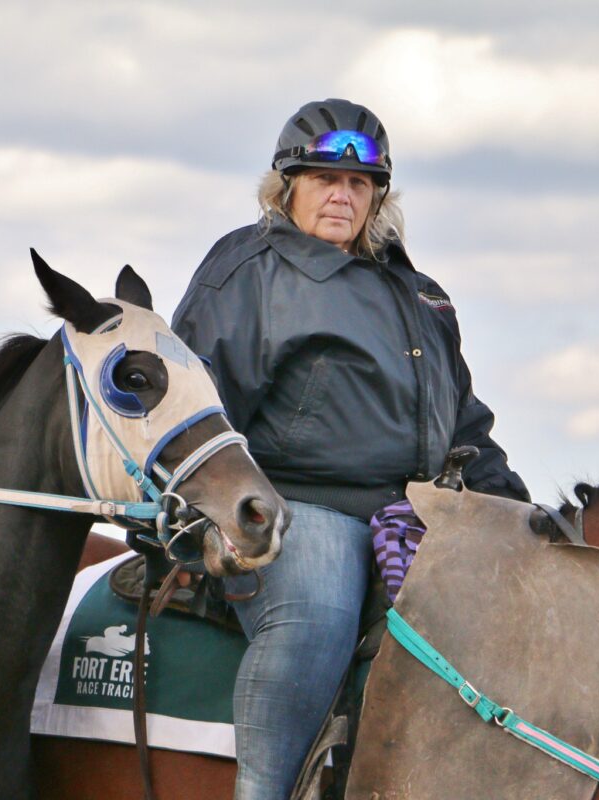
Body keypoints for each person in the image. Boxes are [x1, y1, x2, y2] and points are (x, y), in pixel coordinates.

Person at [171, 98, 529, 798]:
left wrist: (523, 516)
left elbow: (463, 424)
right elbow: (200, 410)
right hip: (298, 511)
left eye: (358, 184)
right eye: (323, 180)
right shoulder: (251, 267)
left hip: (418, 514)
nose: (341, 195)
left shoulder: (420, 294)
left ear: (376, 197)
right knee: (318, 621)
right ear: (287, 188)